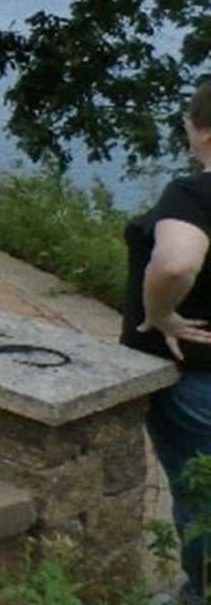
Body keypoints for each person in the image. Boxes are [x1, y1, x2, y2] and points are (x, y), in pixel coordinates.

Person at [125, 78, 211, 601]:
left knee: (202, 498)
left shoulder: (193, 193)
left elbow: (177, 262)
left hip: (195, 380)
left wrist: (160, 314)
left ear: (203, 131)